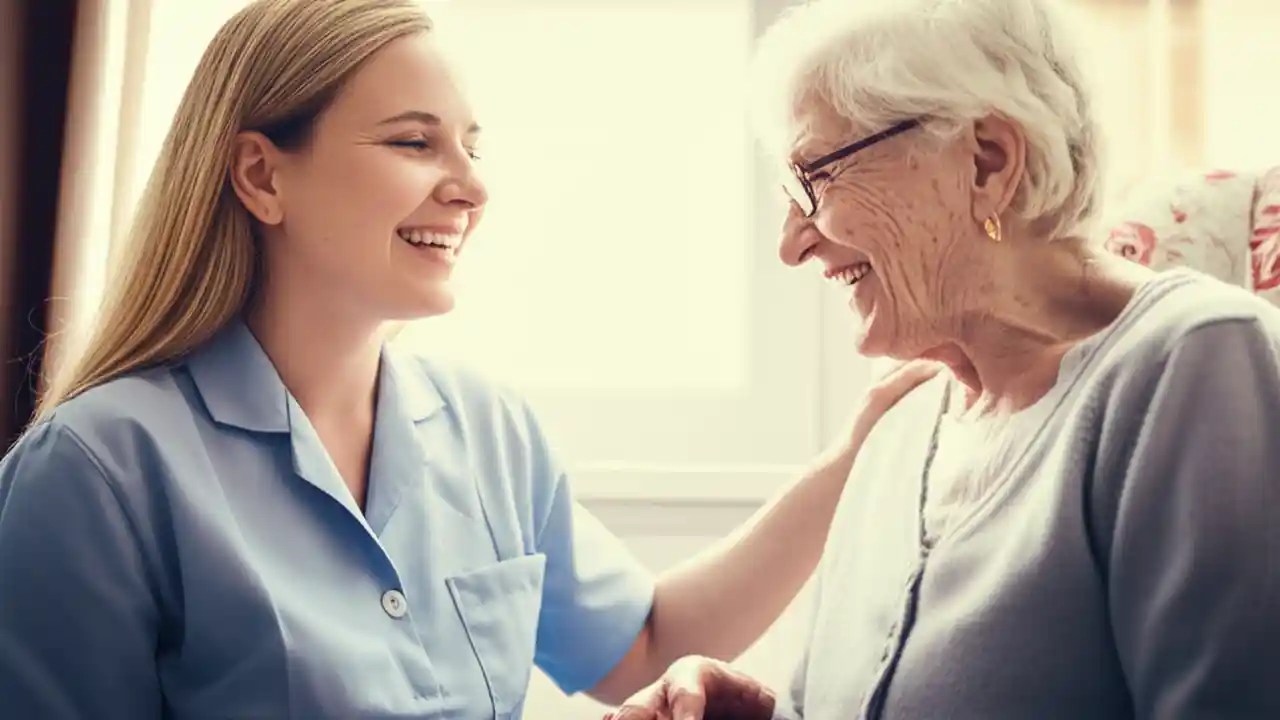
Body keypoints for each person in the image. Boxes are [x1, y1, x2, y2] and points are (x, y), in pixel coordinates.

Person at [0, 1, 942, 718]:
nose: (471, 185)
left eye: (472, 146)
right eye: (414, 142)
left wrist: (855, 459)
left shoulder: (487, 429)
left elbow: (644, 642)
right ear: (261, 174)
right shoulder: (97, 470)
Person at [611, 0, 1280, 718]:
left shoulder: (1196, 366)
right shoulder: (901, 428)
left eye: (817, 179)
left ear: (987, 162)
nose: (791, 243)